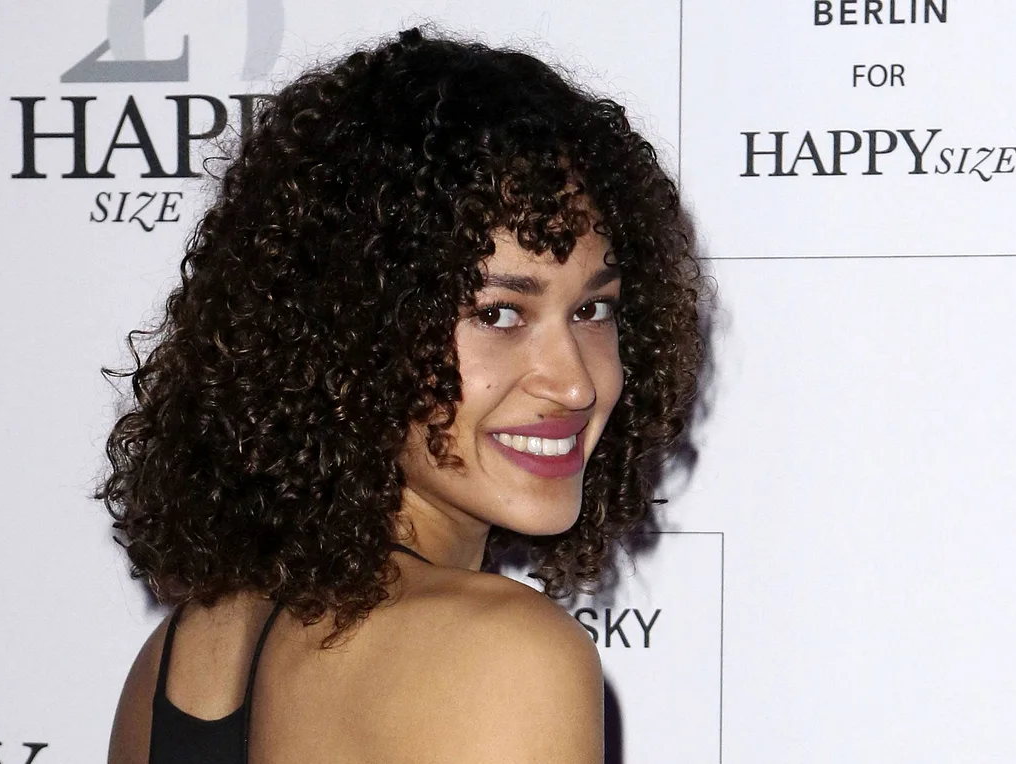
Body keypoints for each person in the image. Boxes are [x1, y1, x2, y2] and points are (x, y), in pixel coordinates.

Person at [99, 27, 706, 764]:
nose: (576, 382)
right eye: (498, 315)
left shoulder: (173, 661)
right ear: (352, 329)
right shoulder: (503, 654)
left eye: (593, 310)